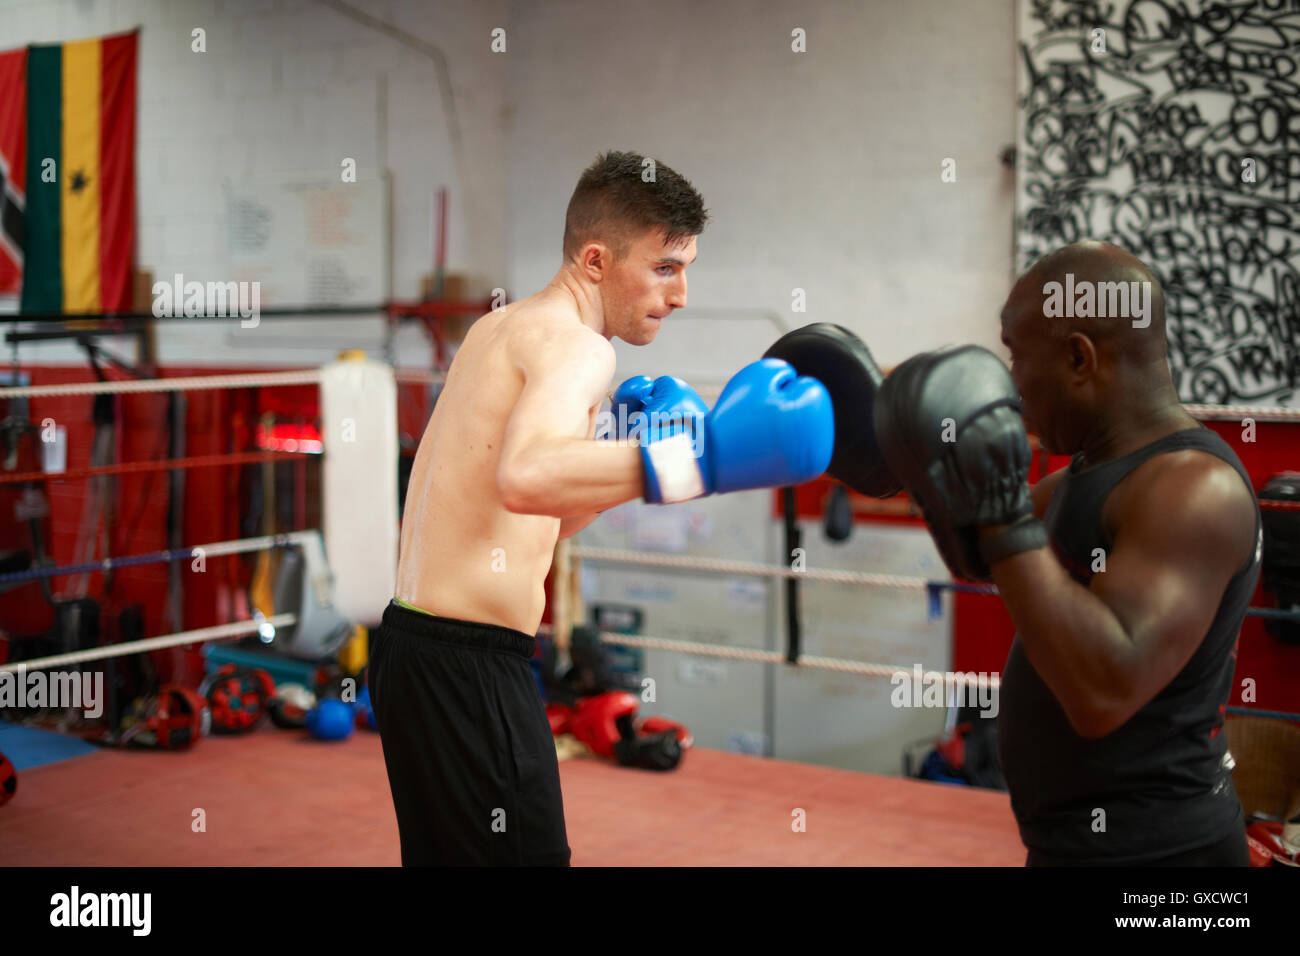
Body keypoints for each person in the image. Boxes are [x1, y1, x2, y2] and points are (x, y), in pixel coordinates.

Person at [367, 151, 835, 865]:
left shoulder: (499, 331)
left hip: (415, 649)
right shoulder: (579, 350)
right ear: (595, 259)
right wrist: (698, 460)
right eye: (665, 268)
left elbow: (545, 514)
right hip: (469, 663)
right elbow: (525, 477)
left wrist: (620, 450)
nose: (680, 295)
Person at [875, 239, 1260, 866]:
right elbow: (981, 553)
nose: (1013, 384)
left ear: (1079, 358)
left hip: (1165, 864)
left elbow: (1104, 692)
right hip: (1075, 849)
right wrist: (897, 450)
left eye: (1017, 357)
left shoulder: (1193, 488)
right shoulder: (1092, 471)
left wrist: (998, 505)